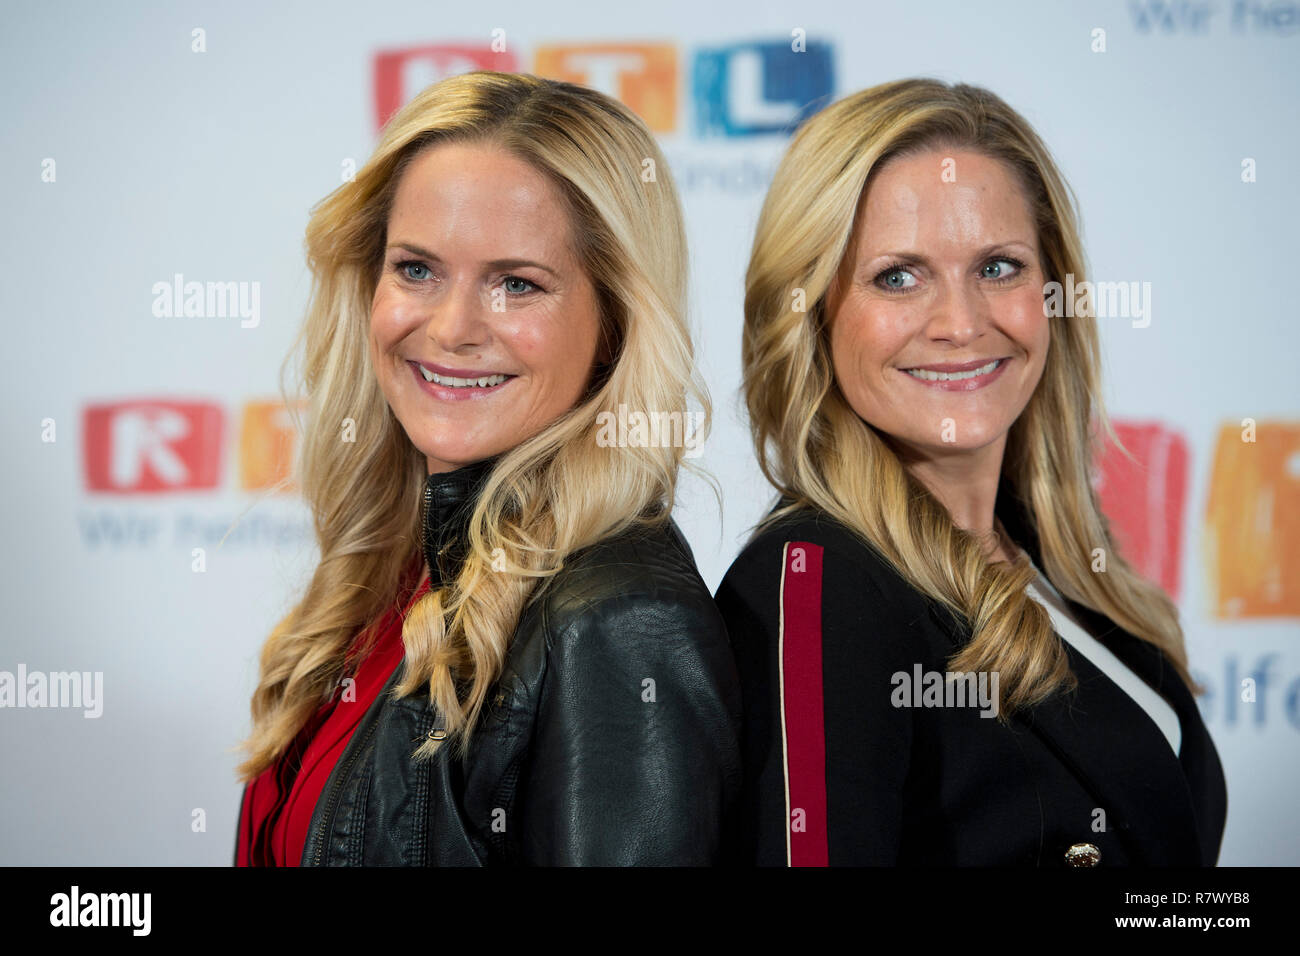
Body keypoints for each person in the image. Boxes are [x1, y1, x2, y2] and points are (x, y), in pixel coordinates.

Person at [233, 70, 741, 866]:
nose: (453, 327)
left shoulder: (620, 622)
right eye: (416, 270)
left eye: (516, 284)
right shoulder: (398, 573)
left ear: (613, 326)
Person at [716, 78, 1227, 866]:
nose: (961, 323)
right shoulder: (817, 582)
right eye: (898, 276)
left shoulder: (1058, 563)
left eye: (998, 268)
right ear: (812, 312)